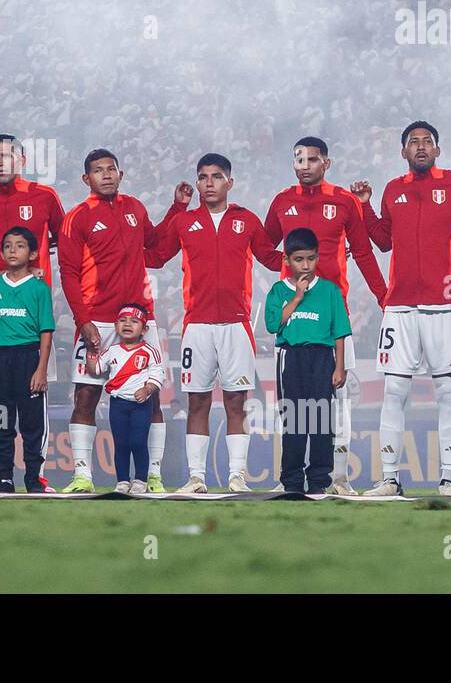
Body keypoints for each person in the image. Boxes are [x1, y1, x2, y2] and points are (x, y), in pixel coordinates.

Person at [351, 121, 451, 497]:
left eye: (427, 141)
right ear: (403, 152)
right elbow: (383, 241)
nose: (420, 147)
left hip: (444, 306)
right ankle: (389, 481)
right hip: (399, 307)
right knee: (394, 391)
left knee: (447, 393)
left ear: (437, 150)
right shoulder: (393, 189)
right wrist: (365, 208)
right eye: (413, 142)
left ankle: (448, 480)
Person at [149, 153, 281, 493]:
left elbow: (270, 258)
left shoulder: (247, 221)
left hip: (237, 325)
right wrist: (177, 208)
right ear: (197, 183)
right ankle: (197, 478)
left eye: (216, 176)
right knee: (198, 402)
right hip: (198, 325)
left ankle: (237, 477)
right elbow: (157, 255)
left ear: (229, 183)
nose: (209, 183)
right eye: (203, 177)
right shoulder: (185, 222)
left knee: (237, 402)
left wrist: (311, 259)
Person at [58, 148, 187, 493]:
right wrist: (82, 319)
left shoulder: (135, 208)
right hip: (97, 320)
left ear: (121, 173)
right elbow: (68, 273)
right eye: (98, 170)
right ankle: (83, 476)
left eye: (111, 169)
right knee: (86, 396)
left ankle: (153, 477)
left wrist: (178, 209)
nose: (106, 174)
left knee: (153, 397)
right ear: (87, 179)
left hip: (139, 319)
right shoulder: (77, 217)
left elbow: (157, 251)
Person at [263, 136, 386, 494]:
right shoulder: (282, 201)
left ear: (326, 164)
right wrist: (286, 275)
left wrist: (383, 296)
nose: (304, 165)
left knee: (338, 402)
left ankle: (338, 478)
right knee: (297, 410)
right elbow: (263, 246)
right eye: (298, 159)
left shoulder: (345, 201)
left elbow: (362, 253)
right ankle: (294, 479)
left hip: (332, 312)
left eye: (312, 159)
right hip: (297, 318)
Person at [0, 134, 64, 491]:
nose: (1, 161)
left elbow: (61, 242)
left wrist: (40, 274)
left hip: (31, 318)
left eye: (8, 155)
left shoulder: (44, 196)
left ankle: (35, 474)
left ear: (21, 160)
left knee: (35, 397)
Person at [263, 228, 349, 494]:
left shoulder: (329, 291)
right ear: (287, 260)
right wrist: (297, 297)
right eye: (299, 259)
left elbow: (340, 332)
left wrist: (339, 366)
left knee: (321, 421)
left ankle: (319, 481)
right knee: (295, 421)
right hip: (292, 357)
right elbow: (272, 324)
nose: (305, 265)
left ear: (317, 258)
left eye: (310, 259)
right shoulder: (279, 291)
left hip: (322, 358)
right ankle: (291, 481)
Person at [0, 226, 55, 493]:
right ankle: (3, 477)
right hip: (0, 360)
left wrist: (41, 369)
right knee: (1, 420)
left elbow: (46, 331)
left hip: (29, 357)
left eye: (19, 246)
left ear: (32, 254)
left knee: (32, 424)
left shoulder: (39, 288)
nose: (12, 250)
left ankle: (33, 478)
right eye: (7, 245)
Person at [88, 305, 165, 495]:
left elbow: (158, 375)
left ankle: (140, 480)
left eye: (134, 321)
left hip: (140, 405)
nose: (128, 324)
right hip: (118, 404)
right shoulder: (112, 351)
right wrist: (91, 351)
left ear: (144, 329)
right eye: (123, 321)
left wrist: (147, 389)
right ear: (116, 326)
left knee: (138, 442)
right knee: (121, 444)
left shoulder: (150, 351)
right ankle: (122, 481)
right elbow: (96, 369)